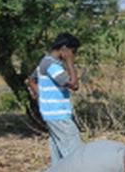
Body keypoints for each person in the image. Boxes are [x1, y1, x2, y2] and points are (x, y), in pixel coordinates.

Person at [29, 33, 84, 163]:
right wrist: (70, 62)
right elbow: (74, 85)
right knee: (74, 153)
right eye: (73, 51)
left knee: (58, 153)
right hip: (58, 114)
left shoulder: (45, 61)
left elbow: (31, 80)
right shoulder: (52, 65)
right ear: (64, 48)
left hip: (51, 114)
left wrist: (42, 99)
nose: (73, 55)